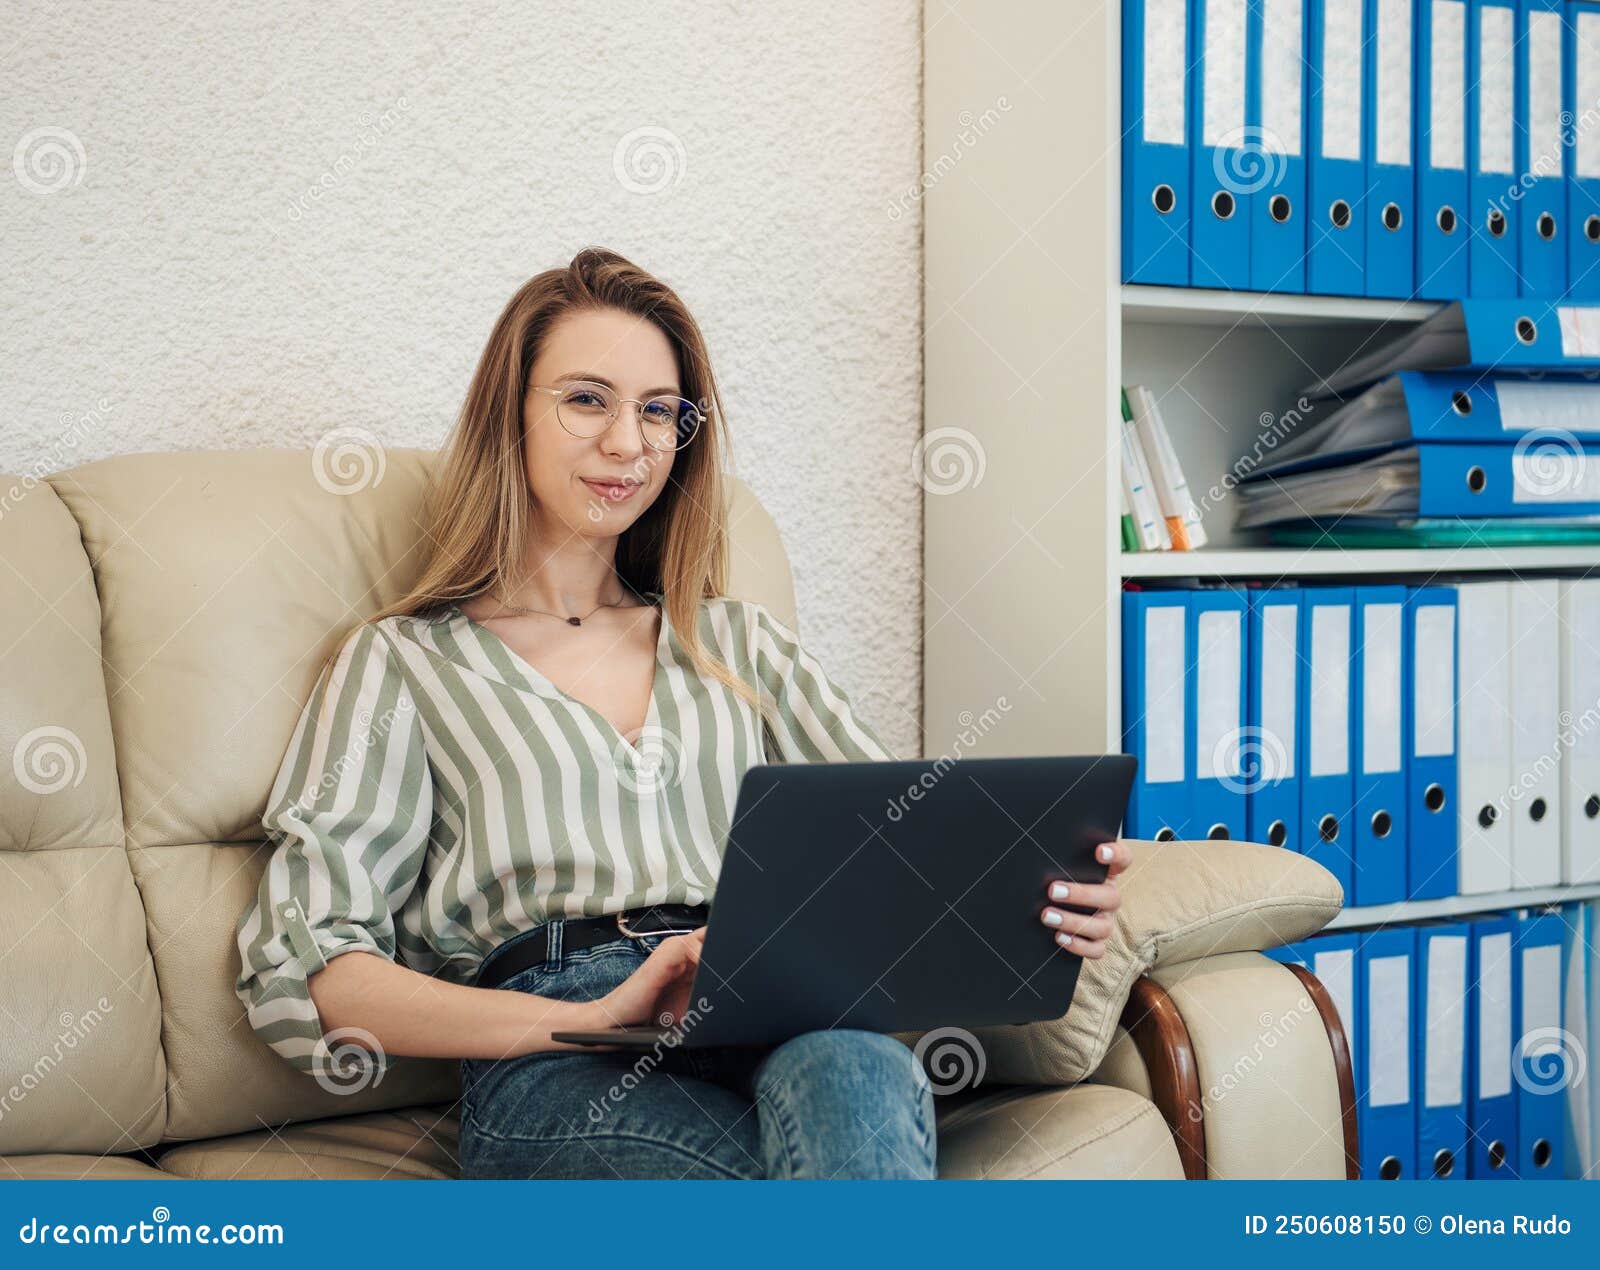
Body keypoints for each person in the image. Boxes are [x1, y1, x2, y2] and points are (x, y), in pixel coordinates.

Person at [234, 247, 1131, 1179]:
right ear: (511, 417)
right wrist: (577, 1018)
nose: (629, 443)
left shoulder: (740, 645)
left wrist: (1041, 898)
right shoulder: (405, 663)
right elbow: (311, 967)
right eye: (587, 400)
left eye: (659, 412)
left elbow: (902, 854)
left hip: (781, 1007)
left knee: (859, 1071)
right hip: (561, 1048)